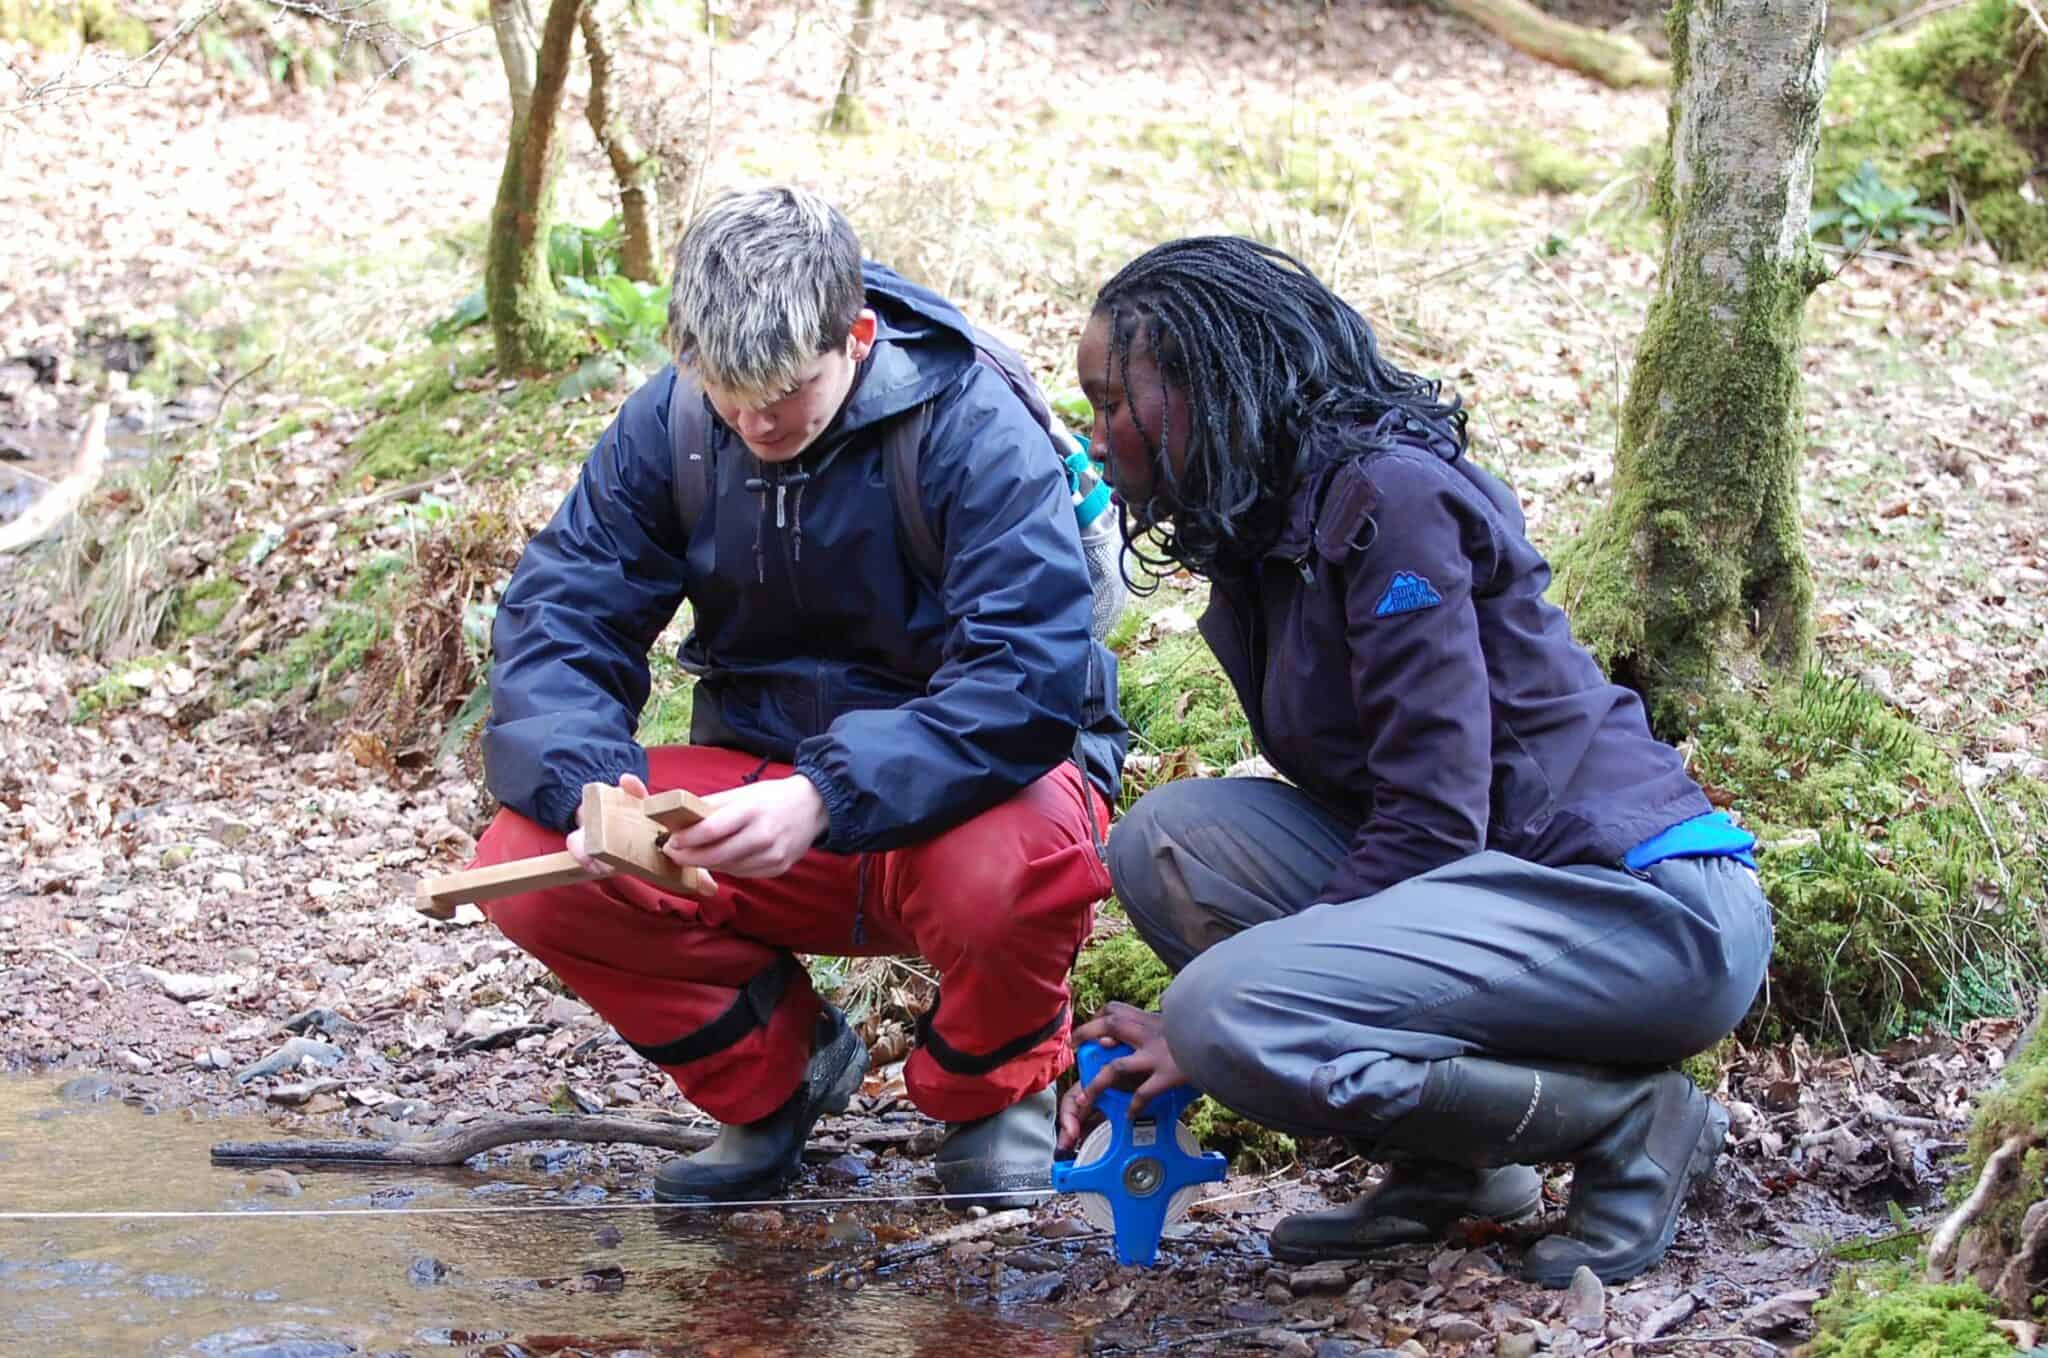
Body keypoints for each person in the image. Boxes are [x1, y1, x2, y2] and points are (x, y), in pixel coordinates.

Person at [1052, 237, 1771, 1287]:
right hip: (1503, 887)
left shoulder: (1386, 498)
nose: (1097, 430)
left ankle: (1631, 1121)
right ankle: (1460, 1166)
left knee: (1221, 1011)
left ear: (1211, 387)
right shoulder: (1266, 529)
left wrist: (1195, 1032)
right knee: (1171, 842)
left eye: (1113, 399)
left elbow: (1432, 820)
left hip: (1642, 904)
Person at [470, 186, 1126, 1208]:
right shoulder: (674, 422)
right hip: (758, 787)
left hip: (968, 794)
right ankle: (772, 1076)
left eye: (784, 388)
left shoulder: (970, 425)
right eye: (728, 390)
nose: (755, 417)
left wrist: (824, 794)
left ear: (855, 335)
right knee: (527, 855)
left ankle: (997, 1091)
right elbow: (561, 620)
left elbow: (1027, 678)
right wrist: (590, 792)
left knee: (1014, 862)